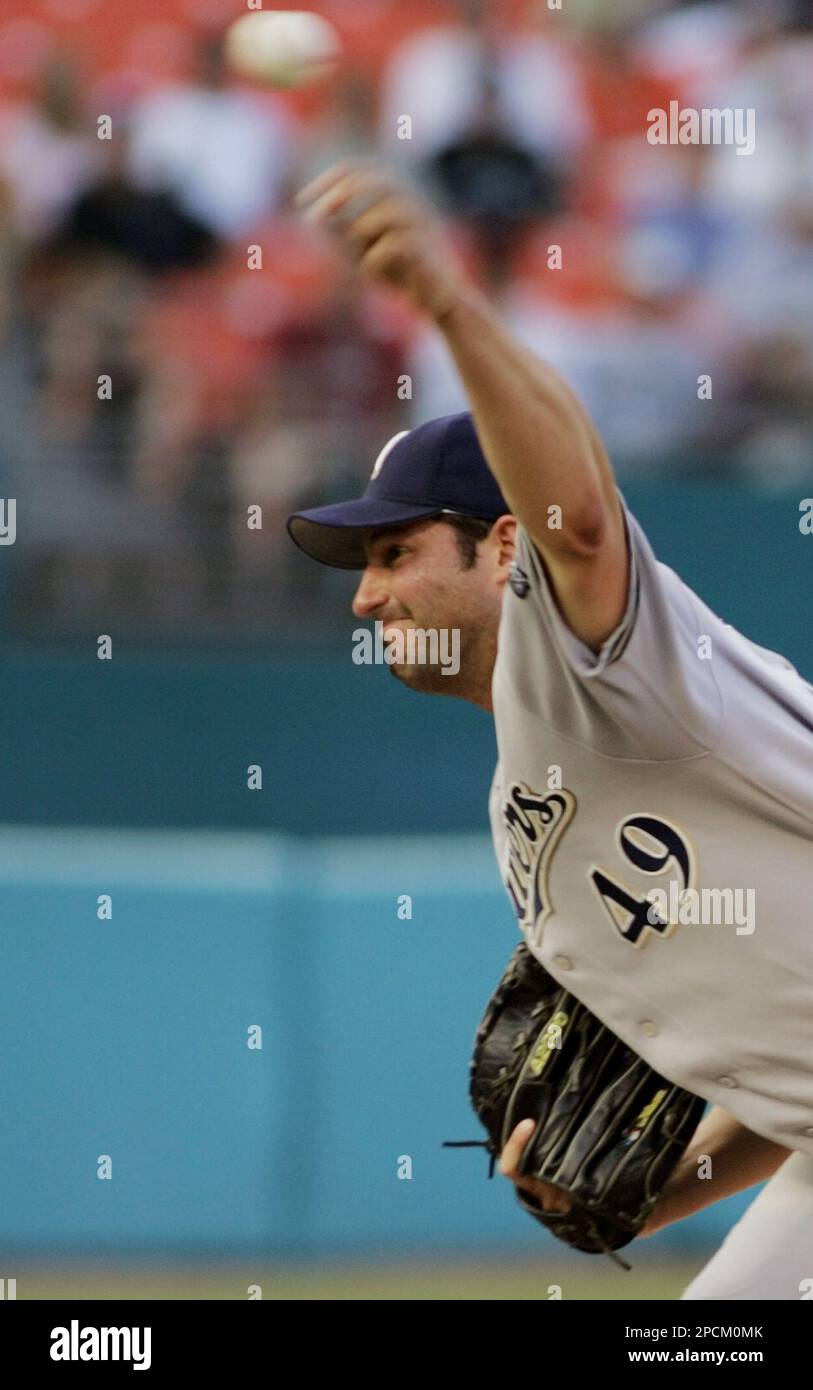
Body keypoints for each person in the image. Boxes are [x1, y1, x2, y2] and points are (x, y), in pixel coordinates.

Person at [288, 161, 813, 1300]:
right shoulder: (525, 822)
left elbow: (574, 517)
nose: (365, 599)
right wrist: (657, 1193)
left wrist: (447, 302)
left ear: (504, 550)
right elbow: (791, 1081)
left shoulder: (605, 665)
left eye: (394, 554)